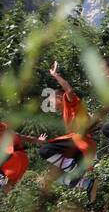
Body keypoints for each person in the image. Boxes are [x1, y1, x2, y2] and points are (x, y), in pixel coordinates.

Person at [35, 61, 95, 190]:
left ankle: (75, 170)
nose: (53, 106)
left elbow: (68, 89)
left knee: (44, 150)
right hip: (80, 150)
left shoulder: (69, 101)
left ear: (59, 97)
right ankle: (88, 184)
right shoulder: (66, 113)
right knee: (57, 178)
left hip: (81, 143)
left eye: (52, 102)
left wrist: (55, 75)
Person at [0, 122, 29, 192]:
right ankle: (9, 190)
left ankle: (8, 188)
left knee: (7, 183)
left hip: (12, 160)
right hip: (22, 159)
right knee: (10, 182)